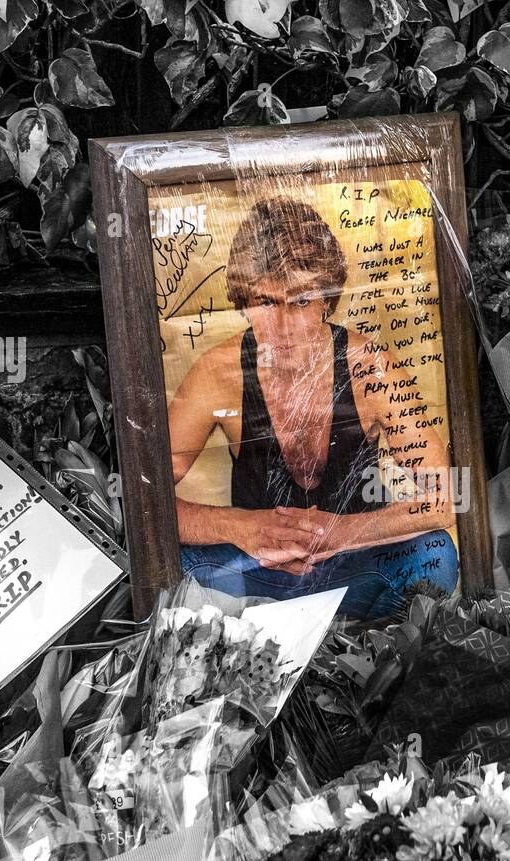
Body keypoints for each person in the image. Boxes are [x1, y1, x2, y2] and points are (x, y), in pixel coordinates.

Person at [168, 196, 458, 618]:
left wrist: (343, 533)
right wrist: (242, 527)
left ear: (328, 299)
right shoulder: (218, 371)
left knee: (435, 552)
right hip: (259, 575)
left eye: (302, 301)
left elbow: (450, 496)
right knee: (166, 559)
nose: (283, 328)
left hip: (355, 571)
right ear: (245, 302)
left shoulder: (369, 368)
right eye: (267, 302)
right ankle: (263, 643)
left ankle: (368, 656)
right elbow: (145, 499)